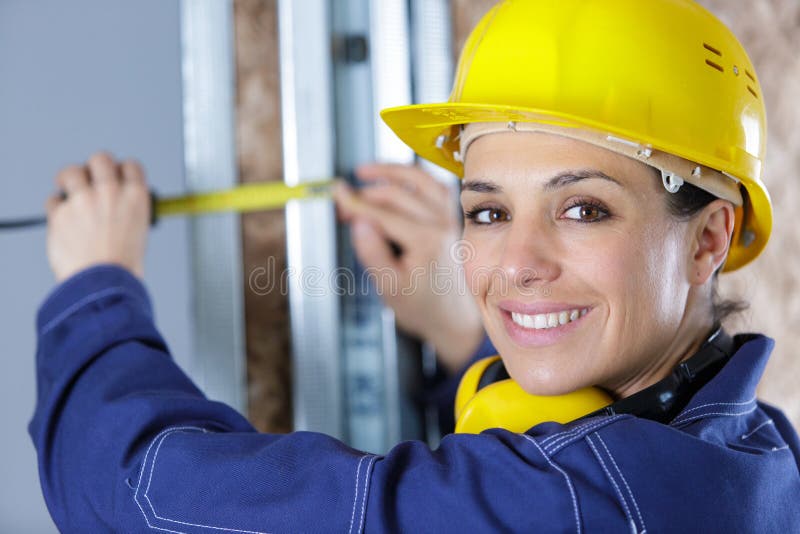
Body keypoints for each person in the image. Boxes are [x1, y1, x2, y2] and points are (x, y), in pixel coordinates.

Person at [30, 1, 800, 532]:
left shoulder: (578, 506)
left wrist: (96, 286)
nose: (516, 265)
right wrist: (464, 333)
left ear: (706, 240)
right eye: (489, 212)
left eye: (583, 209)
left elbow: (138, 501)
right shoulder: (757, 448)